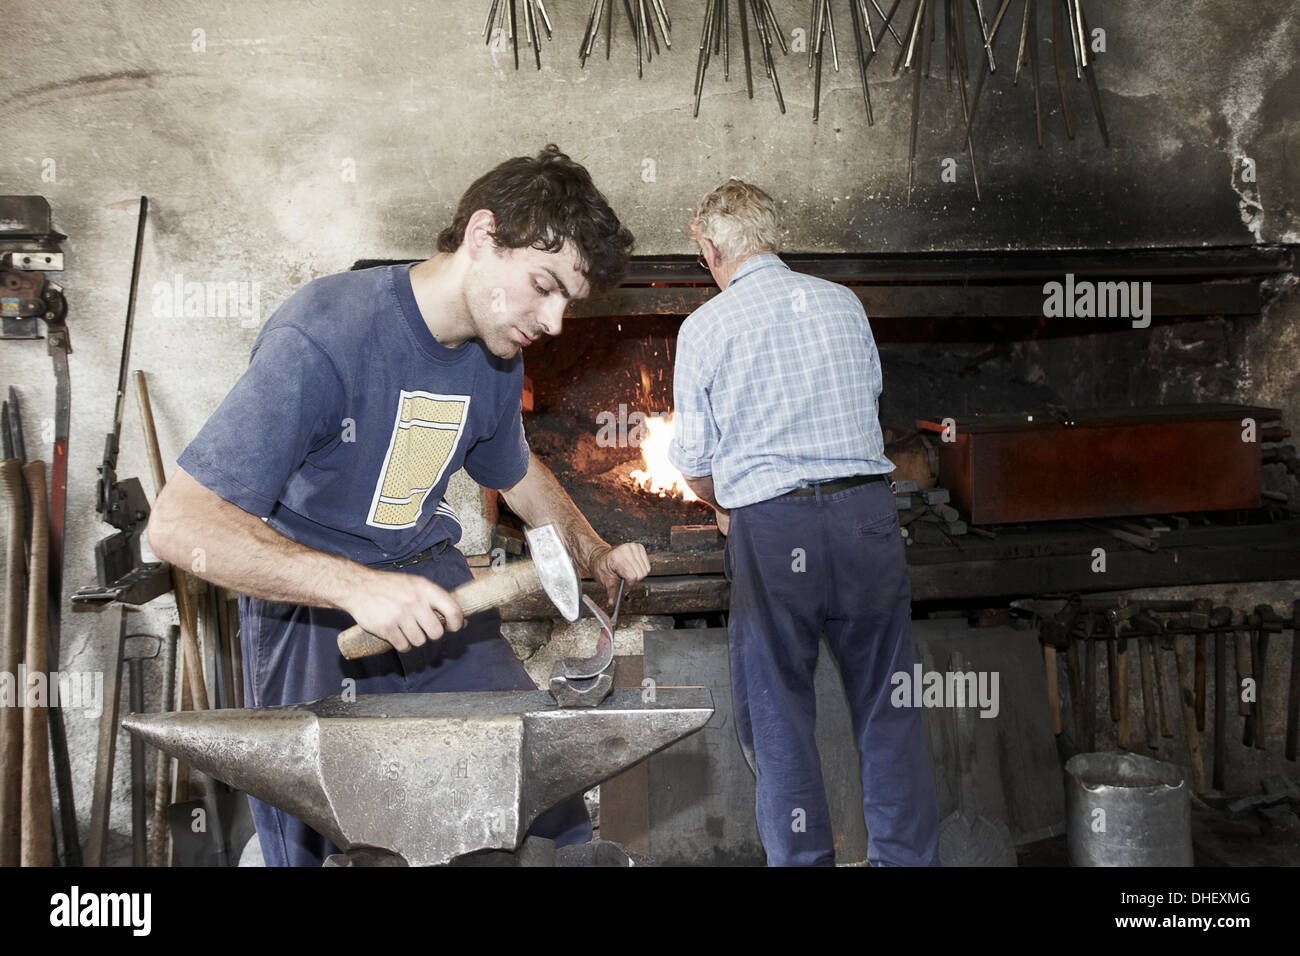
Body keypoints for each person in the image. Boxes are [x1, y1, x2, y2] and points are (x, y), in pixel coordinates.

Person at [147, 145, 651, 866]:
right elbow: (179, 524)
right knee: (325, 831)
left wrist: (592, 548)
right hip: (308, 607)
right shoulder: (324, 332)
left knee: (534, 795)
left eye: (569, 301)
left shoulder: (495, 357)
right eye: (544, 286)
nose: (555, 321)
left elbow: (517, 472)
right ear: (482, 236)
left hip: (433, 586)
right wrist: (356, 587)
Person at [667, 178, 939, 867]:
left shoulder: (704, 327)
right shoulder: (844, 304)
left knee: (781, 714)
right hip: (865, 518)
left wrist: (724, 504)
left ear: (708, 247)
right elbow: (870, 403)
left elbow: (695, 457)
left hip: (773, 527)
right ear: (774, 238)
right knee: (890, 705)